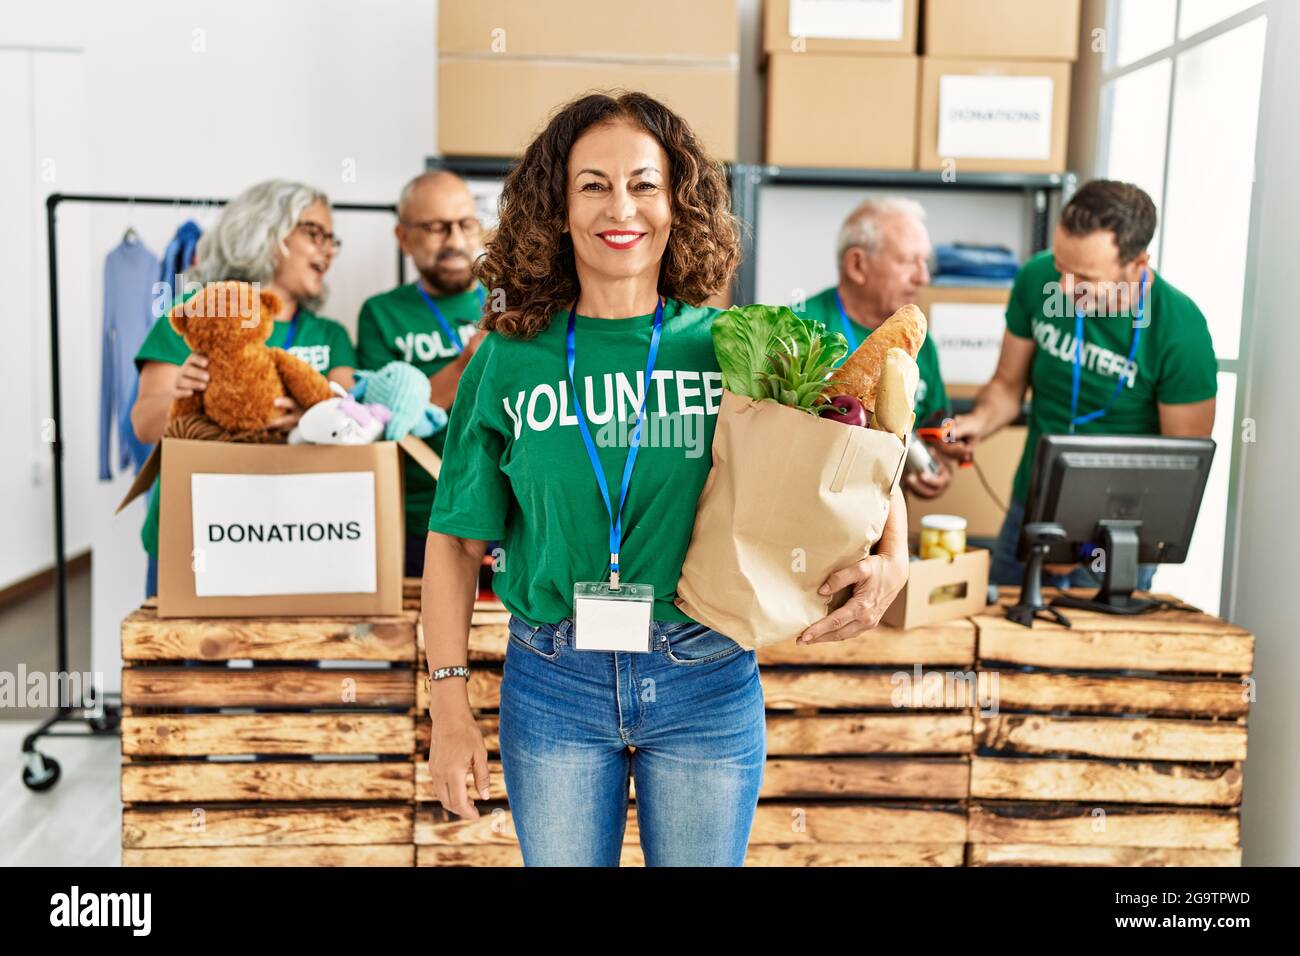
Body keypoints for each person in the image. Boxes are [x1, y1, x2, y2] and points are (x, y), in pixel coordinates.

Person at [419, 91, 911, 866]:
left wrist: (896, 552)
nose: (623, 207)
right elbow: (453, 539)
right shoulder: (507, 358)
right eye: (594, 184)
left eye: (645, 183)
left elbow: (855, 436)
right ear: (557, 204)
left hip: (705, 673)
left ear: (678, 200)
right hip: (553, 683)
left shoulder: (738, 345)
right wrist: (449, 703)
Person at [942, 179, 1217, 590]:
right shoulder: (1036, 280)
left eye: (1085, 277)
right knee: (1000, 648)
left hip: (1120, 535)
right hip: (1032, 507)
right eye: (1061, 268)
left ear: (1138, 264)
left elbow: (1179, 473)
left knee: (1093, 653)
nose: (1066, 289)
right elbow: (1006, 386)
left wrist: (1081, 542)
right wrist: (976, 423)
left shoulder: (1182, 330)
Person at [130, 180, 357, 596]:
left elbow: (349, 416)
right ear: (265, 232)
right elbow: (144, 425)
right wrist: (181, 393)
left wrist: (308, 418)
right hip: (195, 531)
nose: (329, 249)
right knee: (182, 659)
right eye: (314, 233)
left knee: (292, 659)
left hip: (298, 532)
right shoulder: (192, 319)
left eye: (332, 238)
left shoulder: (332, 334)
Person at [356, 170, 488, 578]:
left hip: (510, 515)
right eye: (435, 227)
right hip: (418, 517)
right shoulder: (380, 313)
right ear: (403, 237)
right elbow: (385, 417)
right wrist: (467, 362)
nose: (454, 240)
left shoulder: (515, 299)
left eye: (465, 224)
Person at [794, 197, 953, 500]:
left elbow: (938, 425)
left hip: (884, 525)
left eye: (925, 262)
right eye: (909, 261)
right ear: (857, 264)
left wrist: (940, 463)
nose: (924, 277)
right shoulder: (798, 329)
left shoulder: (918, 340)